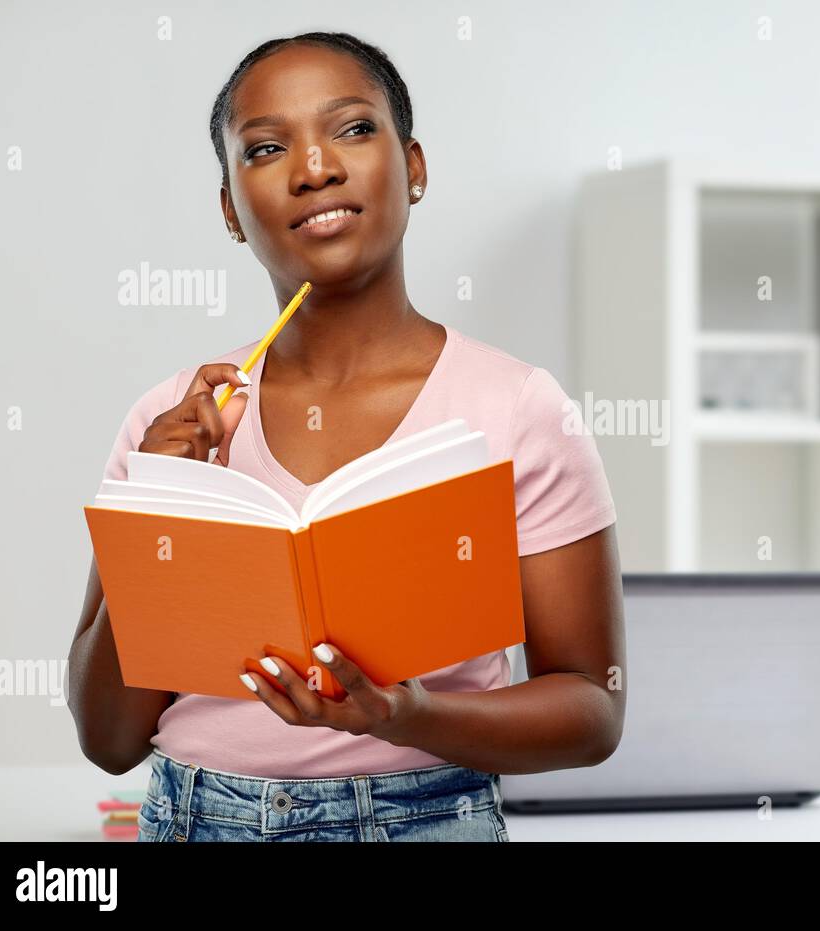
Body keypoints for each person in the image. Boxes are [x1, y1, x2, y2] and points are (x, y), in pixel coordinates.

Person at [67, 31, 626, 842]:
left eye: (354, 129)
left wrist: (409, 713)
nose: (314, 168)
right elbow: (107, 739)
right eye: (265, 148)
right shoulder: (169, 420)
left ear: (416, 167)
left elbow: (593, 706)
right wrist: (161, 503)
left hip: (428, 818)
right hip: (197, 820)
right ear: (231, 208)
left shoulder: (519, 408)